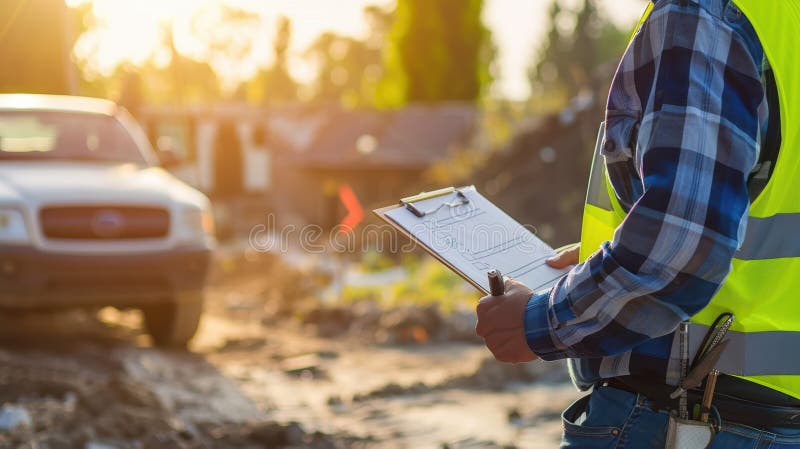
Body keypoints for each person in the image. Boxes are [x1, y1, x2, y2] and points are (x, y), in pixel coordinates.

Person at [475, 0, 800, 447]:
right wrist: (616, 252)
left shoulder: (701, 13)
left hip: (688, 420)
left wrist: (540, 321)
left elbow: (683, 247)